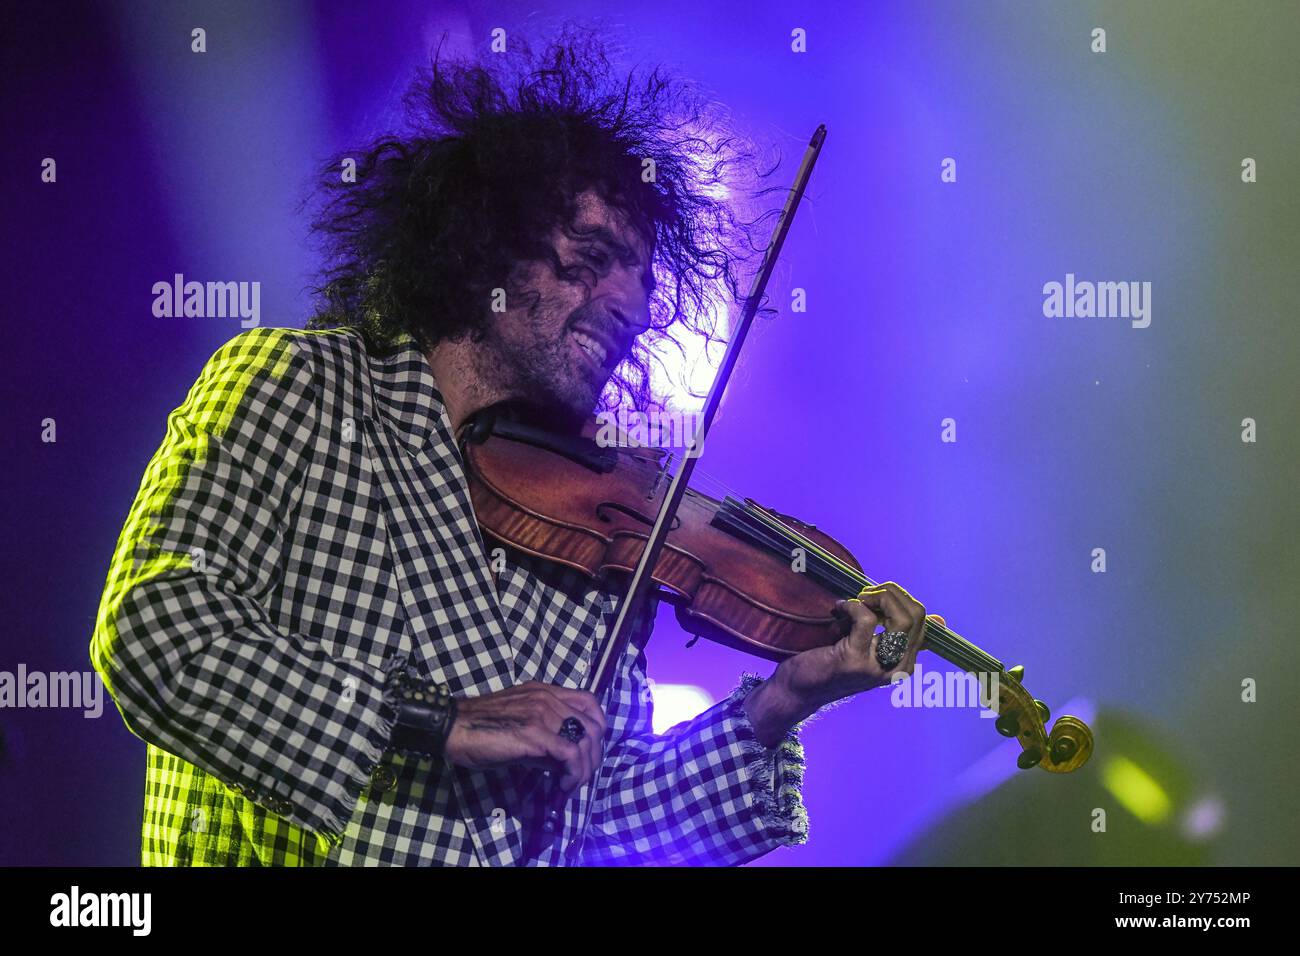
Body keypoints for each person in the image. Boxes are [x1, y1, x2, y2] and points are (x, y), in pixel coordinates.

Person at [90, 29, 931, 866]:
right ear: (483, 248)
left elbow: (604, 816)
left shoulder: (603, 522)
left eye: (641, 282)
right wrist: (439, 722)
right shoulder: (300, 383)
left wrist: (782, 700)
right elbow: (154, 633)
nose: (630, 307)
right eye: (593, 258)